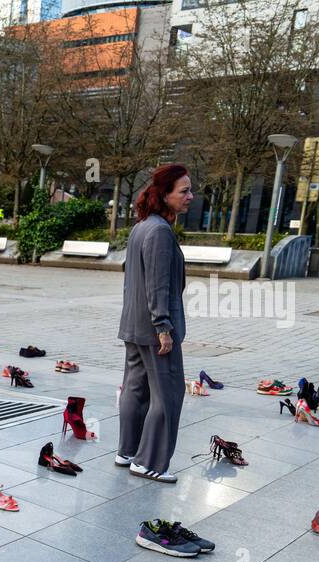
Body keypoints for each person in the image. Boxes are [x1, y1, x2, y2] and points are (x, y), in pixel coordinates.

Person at [117, 163, 194, 483]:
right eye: (184, 191)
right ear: (165, 195)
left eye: (190, 189)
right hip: (154, 329)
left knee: (136, 388)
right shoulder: (160, 231)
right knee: (169, 393)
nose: (191, 196)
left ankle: (128, 451)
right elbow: (158, 285)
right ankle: (148, 461)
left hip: (134, 324)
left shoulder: (142, 226)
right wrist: (163, 327)